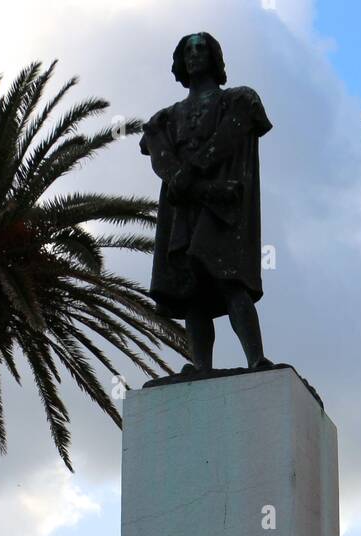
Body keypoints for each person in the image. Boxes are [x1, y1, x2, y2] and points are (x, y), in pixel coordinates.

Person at [140, 31, 273, 372]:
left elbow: (232, 135)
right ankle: (200, 366)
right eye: (188, 50)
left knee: (231, 280)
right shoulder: (165, 119)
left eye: (201, 48)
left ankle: (256, 360)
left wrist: (191, 173)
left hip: (223, 210)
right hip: (184, 208)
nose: (195, 54)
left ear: (214, 56)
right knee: (191, 291)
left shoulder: (237, 100)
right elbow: (158, 152)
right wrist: (177, 177)